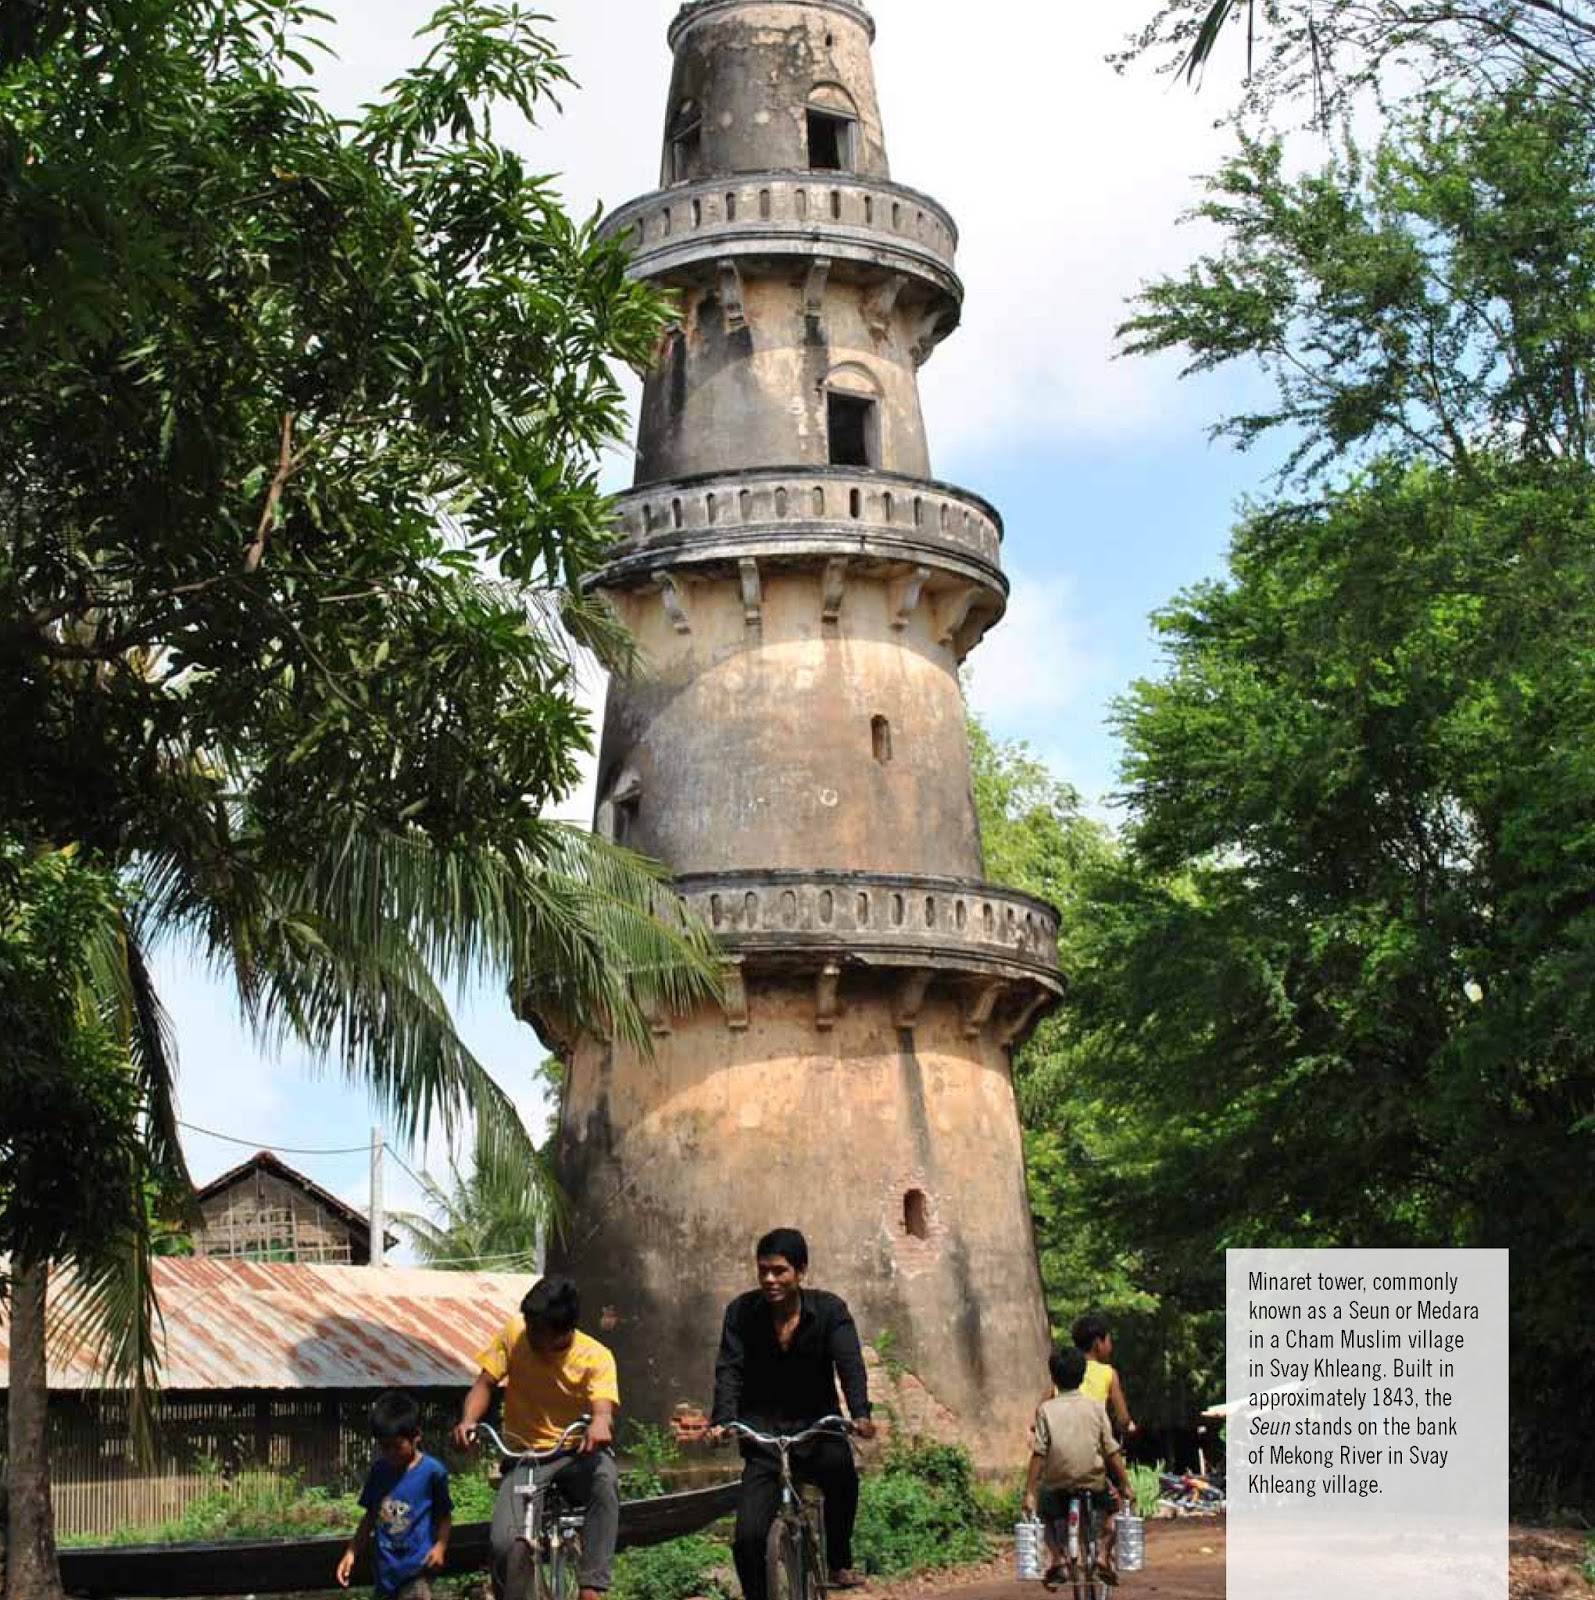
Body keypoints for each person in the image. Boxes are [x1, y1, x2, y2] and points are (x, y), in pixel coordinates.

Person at [707, 1228, 877, 1597]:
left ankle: (839, 1560)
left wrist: (860, 1413)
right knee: (749, 1537)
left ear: (800, 1271)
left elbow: (849, 1363)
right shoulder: (741, 1313)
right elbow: (730, 1369)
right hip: (763, 1436)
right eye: (763, 1270)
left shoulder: (830, 1311)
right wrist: (722, 1420)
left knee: (842, 1475)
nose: (770, 1279)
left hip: (817, 1430)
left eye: (780, 1271)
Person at [454, 1275, 620, 1600]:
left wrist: (600, 1423)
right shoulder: (515, 1334)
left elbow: (602, 1409)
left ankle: (591, 1585)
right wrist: (468, 1420)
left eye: (536, 1329)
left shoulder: (595, 1357)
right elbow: (485, 1384)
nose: (527, 1332)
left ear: (562, 1332)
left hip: (575, 1454)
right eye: (528, 1323)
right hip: (524, 1457)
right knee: (504, 1545)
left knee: (604, 1479)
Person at [1023, 1347, 1135, 1588]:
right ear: (1083, 1375)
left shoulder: (1045, 1410)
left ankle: (1057, 1558)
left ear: (1053, 1378)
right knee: (1114, 1509)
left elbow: (1039, 1453)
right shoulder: (1096, 1407)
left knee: (1043, 1515)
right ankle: (1104, 1555)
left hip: (1057, 1482)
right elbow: (1111, 1450)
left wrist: (1030, 1492)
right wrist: (1125, 1485)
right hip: (1093, 1482)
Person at [337, 1390, 452, 1599]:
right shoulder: (379, 1472)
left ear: (416, 1436)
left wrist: (440, 1546)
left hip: (418, 1567)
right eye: (384, 1447)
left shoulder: (432, 1472)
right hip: (386, 1570)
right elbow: (370, 1517)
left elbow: (444, 1514)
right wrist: (352, 1552)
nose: (391, 1453)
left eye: (397, 1447)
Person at [1071, 1313, 1138, 1441]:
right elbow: (1123, 1418)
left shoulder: (1065, 1370)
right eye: (1108, 1340)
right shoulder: (1108, 1373)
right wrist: (1128, 1427)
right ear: (1098, 1344)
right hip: (1092, 1445)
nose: (1110, 1345)